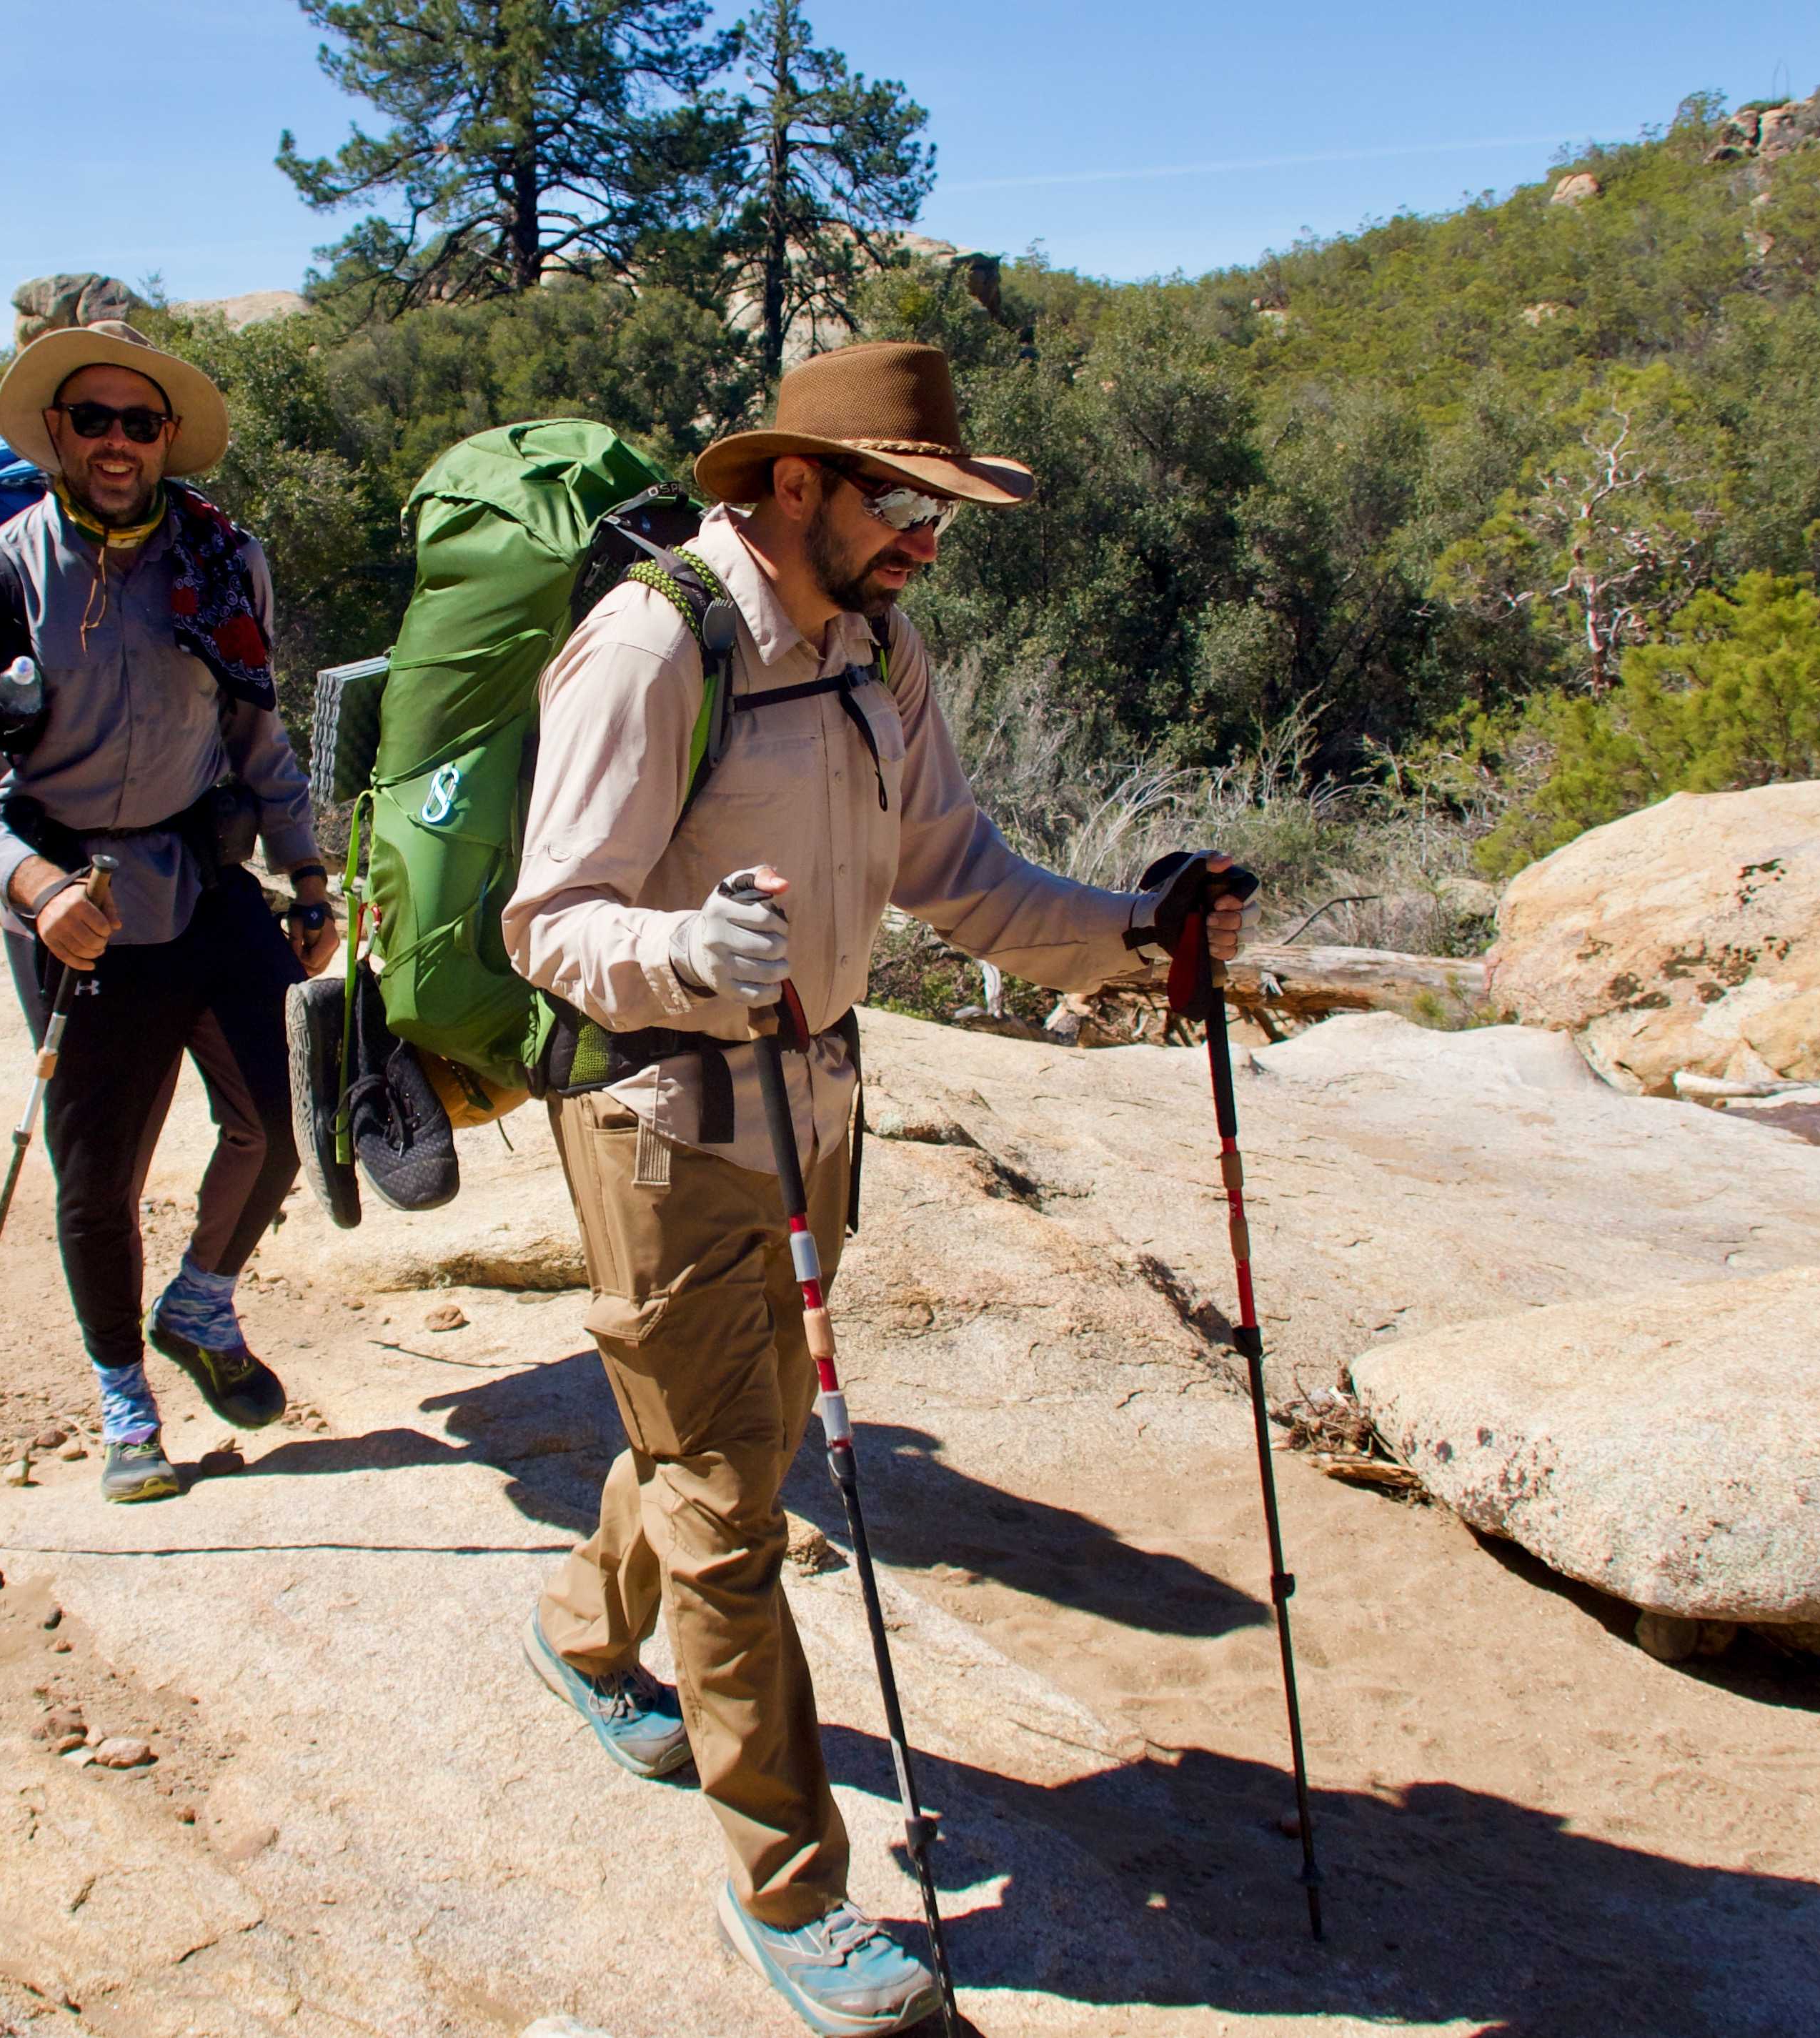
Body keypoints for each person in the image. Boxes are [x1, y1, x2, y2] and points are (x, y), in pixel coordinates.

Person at [500, 340, 1248, 2034]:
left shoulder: (876, 651)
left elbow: (957, 876)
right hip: (666, 1122)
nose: (927, 542)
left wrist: (1138, 932)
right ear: (790, 486)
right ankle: (794, 1892)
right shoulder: (651, 644)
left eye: (942, 514)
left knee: (730, 1438)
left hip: (817, 1100)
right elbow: (548, 922)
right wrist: (686, 949)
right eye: (905, 504)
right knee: (727, 1501)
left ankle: (579, 1630)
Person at [0, 319, 343, 1503]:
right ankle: (121, 1394)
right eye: (91, 419)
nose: (115, 442)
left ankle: (199, 1303)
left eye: (137, 422)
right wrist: (34, 887)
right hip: (75, 910)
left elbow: (258, 728)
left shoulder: (222, 559)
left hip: (207, 882)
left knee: (284, 1121)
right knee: (97, 1176)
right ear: (55, 431)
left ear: (166, 439)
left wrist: (308, 875)